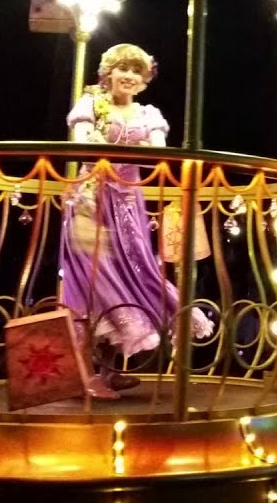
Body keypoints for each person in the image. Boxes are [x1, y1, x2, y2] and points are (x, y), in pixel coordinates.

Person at [59, 44, 214, 399]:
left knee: (132, 279)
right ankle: (84, 376)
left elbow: (158, 152)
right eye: (122, 69)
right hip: (91, 204)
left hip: (129, 207)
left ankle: (108, 372)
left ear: (143, 80)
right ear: (108, 73)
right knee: (94, 283)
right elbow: (81, 144)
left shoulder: (148, 114)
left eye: (136, 71)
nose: (129, 76)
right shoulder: (90, 106)